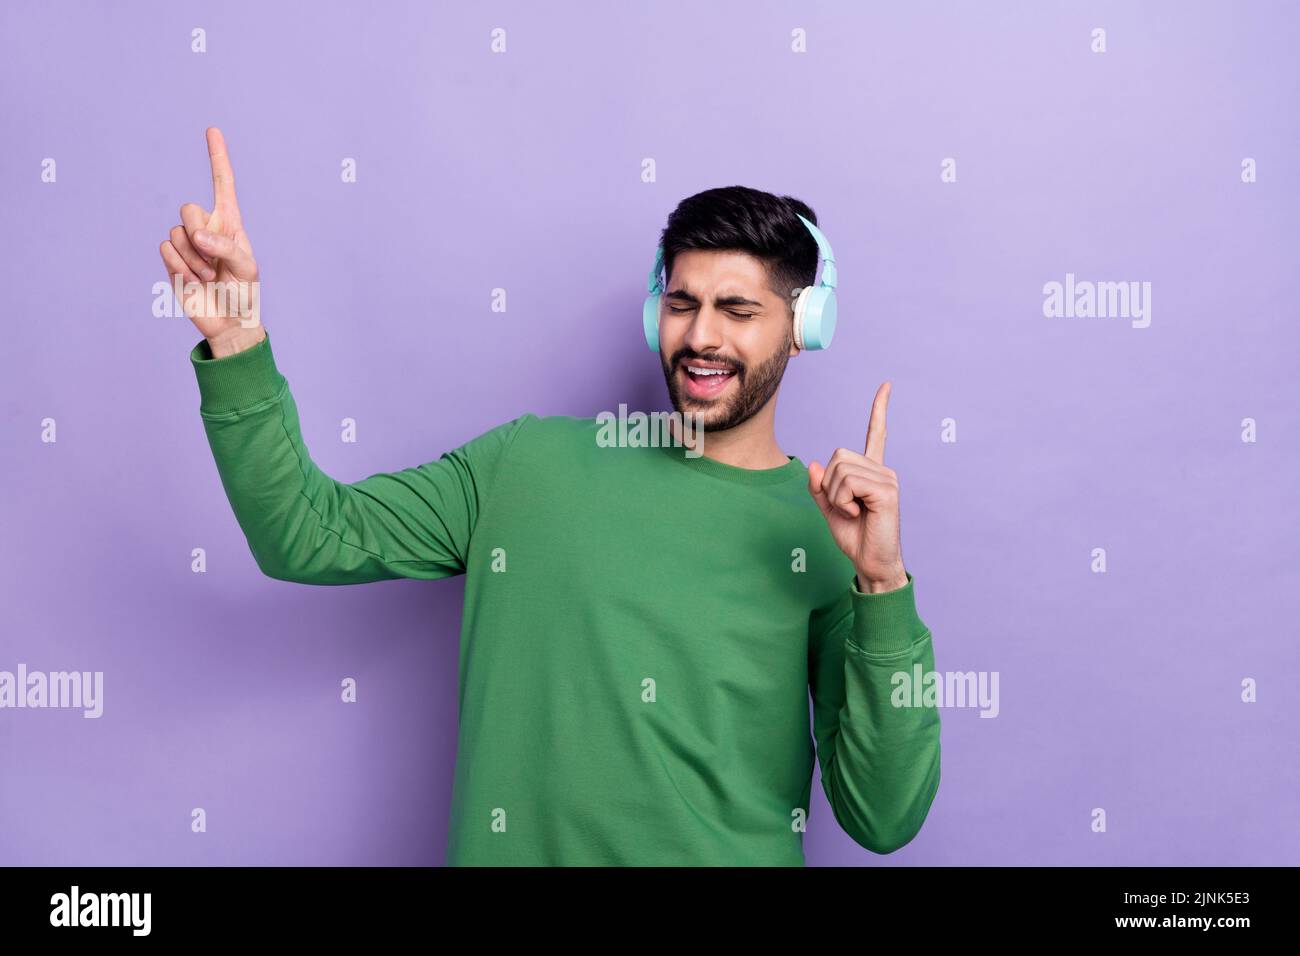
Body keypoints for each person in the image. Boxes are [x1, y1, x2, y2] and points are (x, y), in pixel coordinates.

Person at [159, 127, 941, 866]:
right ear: (654, 309)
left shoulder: (830, 534)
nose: (703, 335)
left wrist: (882, 586)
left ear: (804, 325)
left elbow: (883, 817)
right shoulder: (526, 463)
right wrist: (236, 340)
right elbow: (306, 531)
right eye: (681, 303)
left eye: (738, 311)